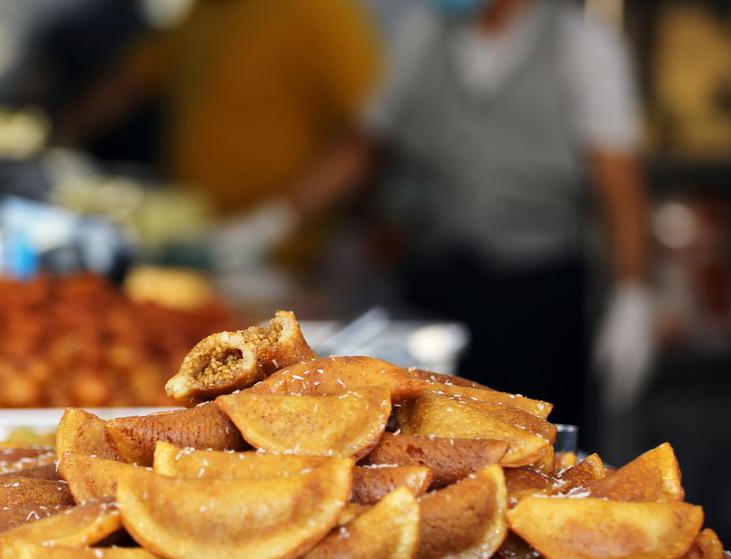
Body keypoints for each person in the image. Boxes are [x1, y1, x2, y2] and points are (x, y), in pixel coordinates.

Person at [231, 0, 656, 424]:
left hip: (539, 298)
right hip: (437, 285)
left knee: (534, 437)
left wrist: (633, 294)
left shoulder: (581, 47)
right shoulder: (424, 35)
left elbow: (619, 186)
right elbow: (364, 146)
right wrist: (269, 223)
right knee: (424, 430)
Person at [61, 0, 381, 273]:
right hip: (194, 245)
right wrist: (60, 137)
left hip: (277, 263)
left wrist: (267, 226)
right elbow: (131, 79)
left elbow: (364, 139)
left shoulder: (319, 12)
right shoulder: (207, 11)